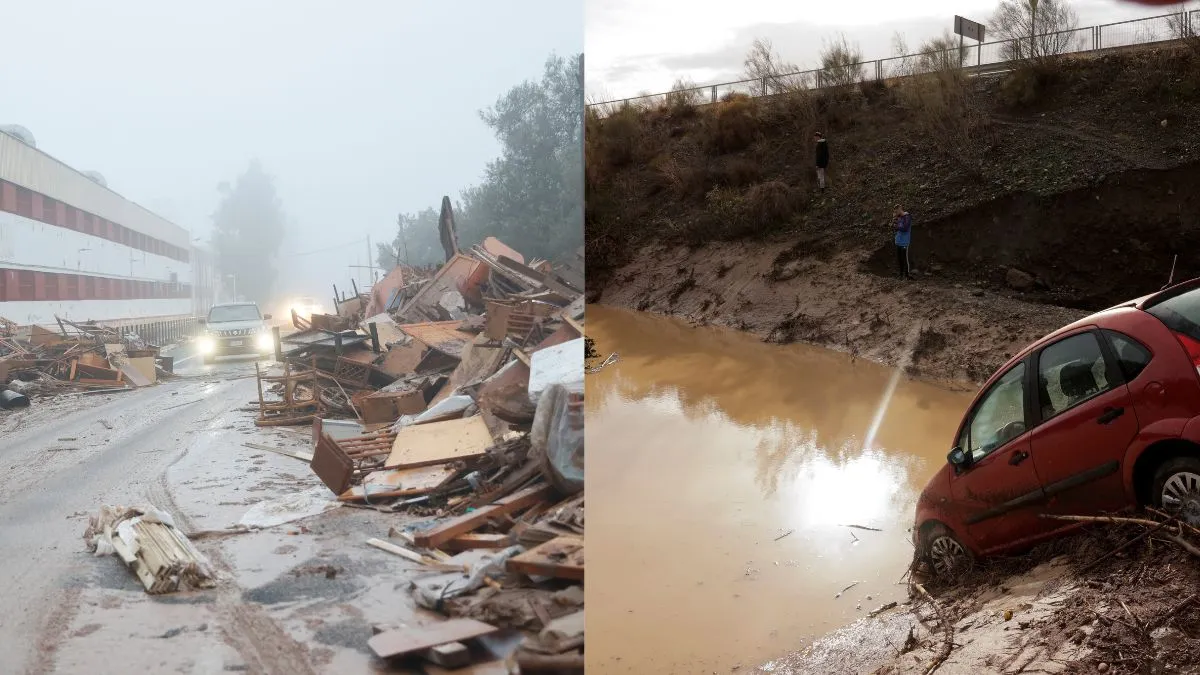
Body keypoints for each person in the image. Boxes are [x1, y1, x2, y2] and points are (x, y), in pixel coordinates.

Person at [894, 205, 912, 280]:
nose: (895, 213)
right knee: (899, 259)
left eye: (896, 211)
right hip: (898, 241)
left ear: (900, 209)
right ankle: (901, 275)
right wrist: (895, 221)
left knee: (904, 259)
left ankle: (907, 275)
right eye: (895, 212)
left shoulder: (907, 217)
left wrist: (897, 226)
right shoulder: (899, 218)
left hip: (904, 242)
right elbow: (895, 227)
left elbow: (905, 228)